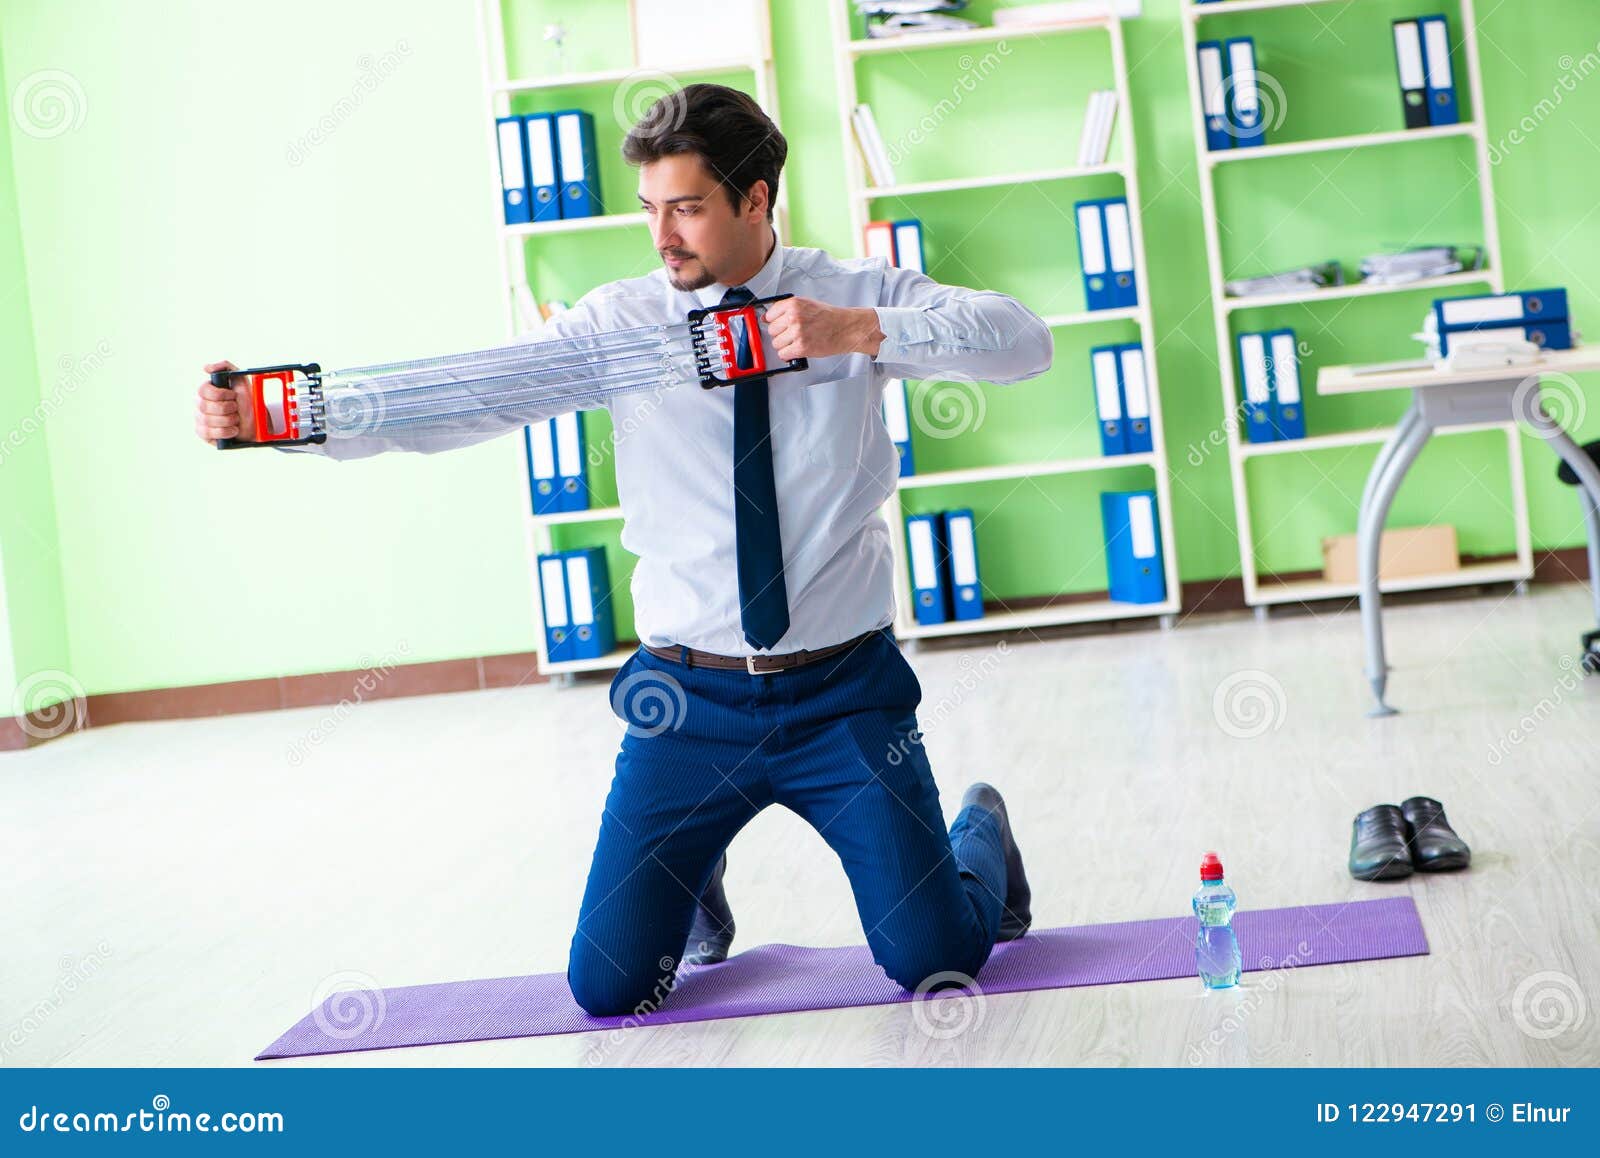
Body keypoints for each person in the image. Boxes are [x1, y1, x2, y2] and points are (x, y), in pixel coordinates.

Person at [195, 84, 1051, 1017]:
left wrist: (858, 331)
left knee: (938, 960)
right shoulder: (622, 326)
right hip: (687, 703)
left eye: (686, 207)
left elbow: (1024, 343)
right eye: (651, 209)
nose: (663, 235)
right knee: (609, 989)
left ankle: (979, 828)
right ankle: (694, 872)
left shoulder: (853, 294)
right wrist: (284, 417)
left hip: (843, 693)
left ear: (755, 198)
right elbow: (470, 395)